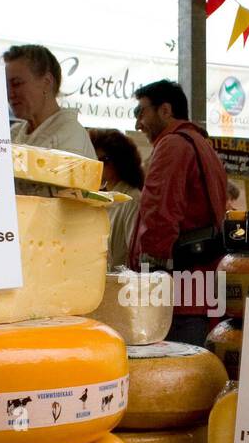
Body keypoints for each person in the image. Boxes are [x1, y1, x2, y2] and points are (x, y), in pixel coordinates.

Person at [131, 79, 229, 345]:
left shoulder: (172, 145)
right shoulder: (200, 144)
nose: (138, 123)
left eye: (140, 112)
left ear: (165, 110)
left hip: (177, 295)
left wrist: (147, 280)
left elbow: (159, 216)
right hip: (201, 290)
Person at [3, 44, 95, 158]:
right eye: (6, 86)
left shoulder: (69, 135)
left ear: (47, 82)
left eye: (17, 83)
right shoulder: (15, 133)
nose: (9, 93)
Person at [89, 129, 144, 269]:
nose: (98, 166)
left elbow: (134, 251)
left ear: (121, 161)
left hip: (123, 282)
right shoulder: (103, 197)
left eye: (104, 160)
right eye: (95, 160)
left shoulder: (132, 199)